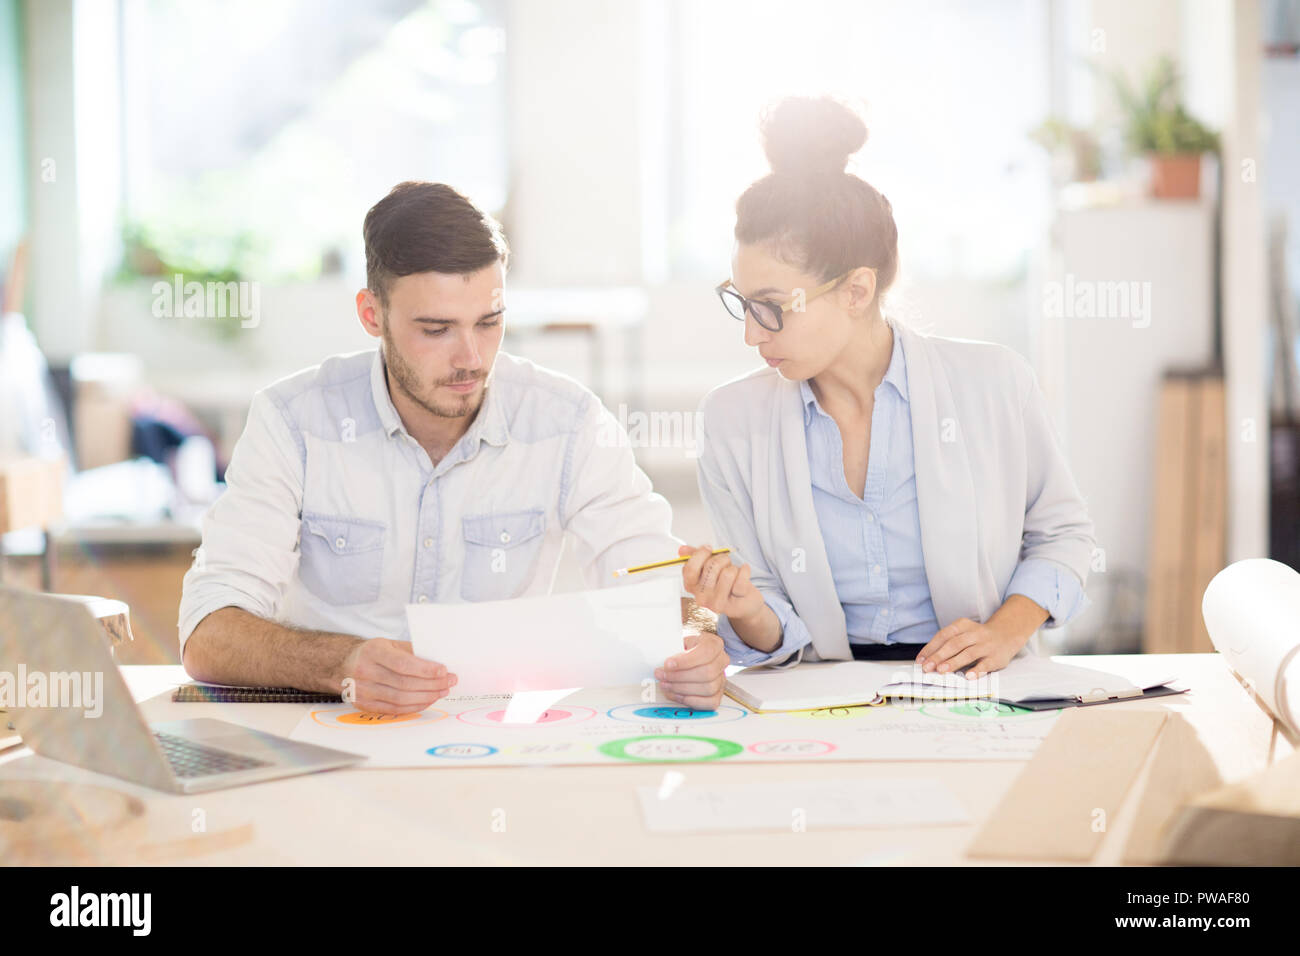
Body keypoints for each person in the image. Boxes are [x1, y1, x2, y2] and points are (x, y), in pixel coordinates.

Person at [180, 181, 726, 713]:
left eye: (489, 323)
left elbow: (660, 587)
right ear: (372, 315)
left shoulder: (569, 423)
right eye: (437, 329)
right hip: (330, 727)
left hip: (495, 737)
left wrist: (695, 639)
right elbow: (207, 632)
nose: (471, 358)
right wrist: (341, 663)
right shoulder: (293, 422)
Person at [680, 96, 1096, 679]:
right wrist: (747, 610)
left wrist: (1005, 632)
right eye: (742, 305)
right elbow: (773, 618)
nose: (751, 334)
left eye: (772, 308)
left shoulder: (995, 384)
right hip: (822, 694)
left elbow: (1064, 537)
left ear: (855, 290)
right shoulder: (732, 420)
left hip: (980, 684)